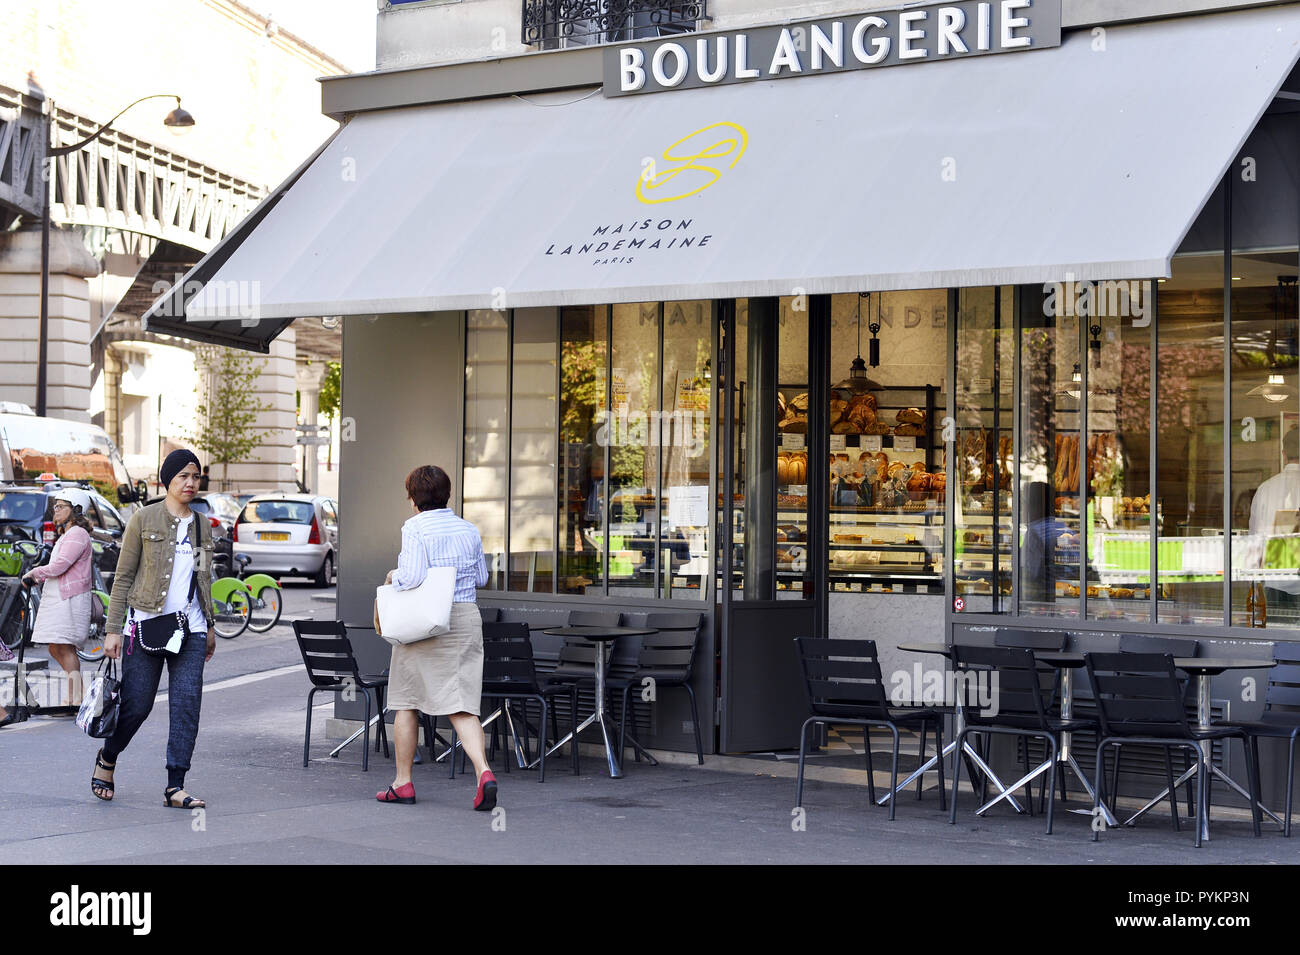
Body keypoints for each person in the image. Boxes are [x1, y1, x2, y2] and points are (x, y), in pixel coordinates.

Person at [96, 449, 216, 807]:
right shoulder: (143, 520)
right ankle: (108, 756)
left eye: (195, 476)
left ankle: (175, 785)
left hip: (191, 629)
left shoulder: (202, 525)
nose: (190, 483)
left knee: (186, 705)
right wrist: (113, 629)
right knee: (137, 704)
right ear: (168, 481)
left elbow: (205, 576)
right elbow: (123, 577)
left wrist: (209, 625)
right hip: (145, 625)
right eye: (183, 476)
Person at [378, 464, 495, 810]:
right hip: (463, 618)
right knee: (461, 705)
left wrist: (392, 577)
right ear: (446, 495)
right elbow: (482, 579)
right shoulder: (469, 530)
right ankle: (484, 772)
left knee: (406, 701)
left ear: (414, 499)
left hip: (422, 622)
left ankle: (403, 784)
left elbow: (412, 576)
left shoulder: (414, 527)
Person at [23, 488, 95, 708]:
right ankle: (78, 694)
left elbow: (60, 565)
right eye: (55, 506)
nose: (55, 510)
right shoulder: (68, 534)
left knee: (64, 647)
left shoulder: (77, 535)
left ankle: (76, 698)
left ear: (76, 510)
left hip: (70, 599)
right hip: (61, 597)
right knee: (56, 647)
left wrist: (35, 573)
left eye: (61, 506)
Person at [1250, 426, 1300, 621]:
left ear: (1284, 454)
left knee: (1276, 639)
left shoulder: (1265, 489)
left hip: (1274, 580)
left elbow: (1254, 539)